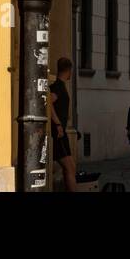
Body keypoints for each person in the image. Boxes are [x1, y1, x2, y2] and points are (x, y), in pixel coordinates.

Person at [49, 57, 76, 191]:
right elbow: (48, 103)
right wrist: (58, 124)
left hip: (62, 132)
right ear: (69, 70)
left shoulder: (60, 86)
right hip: (58, 132)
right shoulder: (58, 86)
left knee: (70, 167)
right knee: (69, 167)